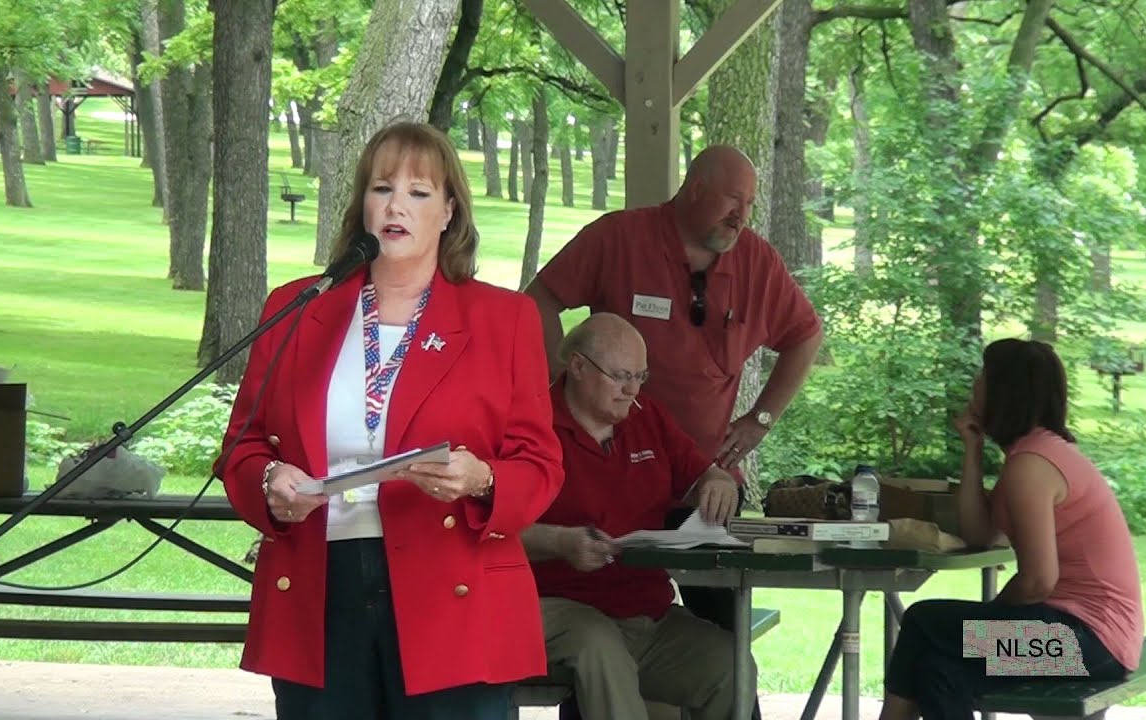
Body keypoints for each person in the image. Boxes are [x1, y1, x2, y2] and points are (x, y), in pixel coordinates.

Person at [214, 120, 565, 720]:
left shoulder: (504, 319)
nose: (396, 206)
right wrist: (270, 481)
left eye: (419, 193)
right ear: (362, 206)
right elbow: (244, 446)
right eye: (382, 188)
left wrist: (482, 479)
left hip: (454, 597)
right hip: (321, 589)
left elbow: (541, 465)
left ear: (449, 211)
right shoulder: (296, 308)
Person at [525, 144, 823, 631]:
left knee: (723, 629)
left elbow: (806, 335)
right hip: (612, 481)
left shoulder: (756, 263)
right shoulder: (621, 238)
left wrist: (760, 419)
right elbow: (538, 300)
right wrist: (556, 387)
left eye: (749, 204)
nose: (741, 216)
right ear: (695, 189)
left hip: (703, 483)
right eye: (733, 200)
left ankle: (716, 691)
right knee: (603, 619)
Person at [879, 339, 1144, 720]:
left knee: (923, 620)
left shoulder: (1033, 465)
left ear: (1005, 391)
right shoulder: (1031, 456)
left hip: (1084, 644)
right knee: (936, 670)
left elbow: (1038, 581)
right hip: (1075, 642)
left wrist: (989, 618)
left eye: (982, 378)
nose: (973, 387)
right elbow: (979, 535)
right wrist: (971, 449)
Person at [521, 312, 755, 720]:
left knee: (731, 667)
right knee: (600, 648)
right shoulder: (530, 426)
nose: (632, 389)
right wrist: (561, 542)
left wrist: (716, 481)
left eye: (640, 376)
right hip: (556, 606)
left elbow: (702, 471)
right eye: (621, 376)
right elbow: (493, 529)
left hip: (647, 612)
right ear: (577, 366)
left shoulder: (648, 418)